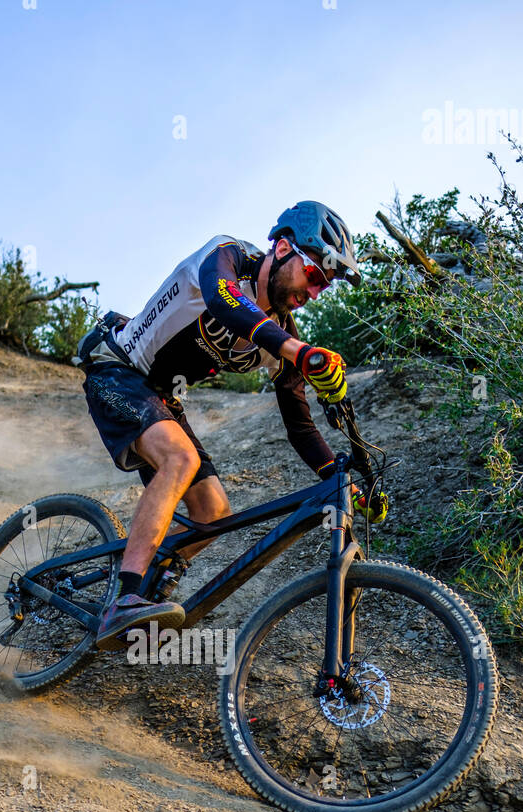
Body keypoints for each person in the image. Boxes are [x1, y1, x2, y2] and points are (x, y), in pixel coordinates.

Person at [77, 200, 363, 650]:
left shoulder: (281, 334)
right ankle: (125, 599)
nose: (315, 292)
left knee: (214, 514)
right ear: (284, 247)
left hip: (162, 399)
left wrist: (342, 476)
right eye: (315, 276)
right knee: (180, 457)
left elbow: (301, 428)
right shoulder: (227, 256)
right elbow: (224, 302)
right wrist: (298, 351)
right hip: (117, 368)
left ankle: (147, 586)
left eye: (325, 286)